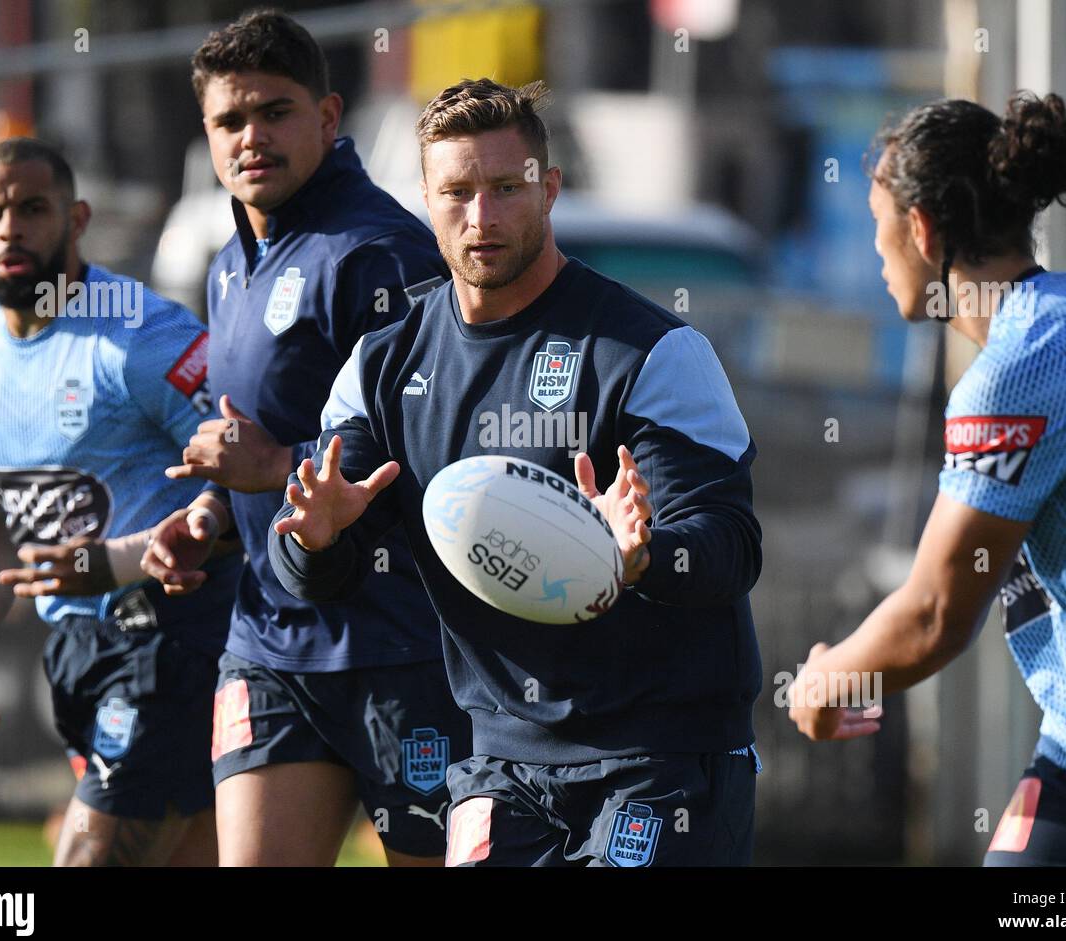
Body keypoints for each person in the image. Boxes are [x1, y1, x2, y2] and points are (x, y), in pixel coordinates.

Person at [268, 77, 764, 867]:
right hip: (501, 762)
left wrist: (645, 557)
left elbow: (729, 545)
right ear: (425, 200)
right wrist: (316, 539)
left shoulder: (651, 353)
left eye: (507, 188)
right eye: (457, 193)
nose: (482, 217)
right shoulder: (383, 368)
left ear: (550, 188)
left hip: (663, 760)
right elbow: (320, 572)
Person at [788, 92, 1066, 867]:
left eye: (879, 225)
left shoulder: (1021, 370)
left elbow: (937, 613)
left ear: (924, 230)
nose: (876, 252)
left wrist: (826, 680)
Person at [140, 9, 468, 867]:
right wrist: (211, 512)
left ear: (327, 117)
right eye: (229, 120)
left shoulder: (383, 255)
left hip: (403, 647)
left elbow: (446, 458)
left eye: (275, 112)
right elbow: (256, 441)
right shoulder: (228, 260)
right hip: (270, 643)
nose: (252, 137)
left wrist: (273, 469)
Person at [0, 137, 242, 866]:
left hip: (174, 639)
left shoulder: (141, 337)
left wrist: (142, 553)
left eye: (32, 208)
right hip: (77, 649)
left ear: (76, 219)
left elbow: (245, 471)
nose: (10, 228)